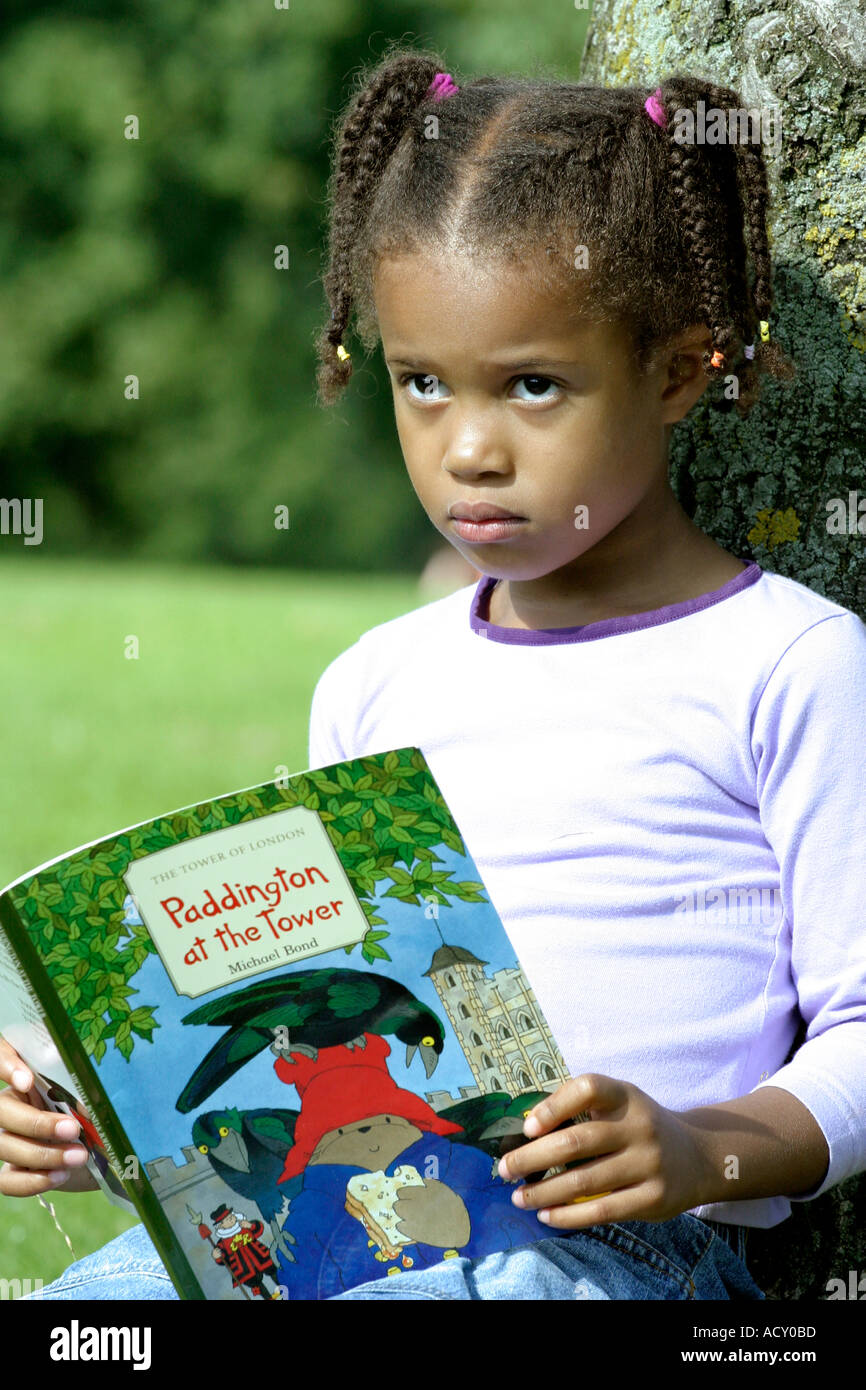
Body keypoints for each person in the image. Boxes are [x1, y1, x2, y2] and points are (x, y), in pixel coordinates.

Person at [3, 49, 866, 1302]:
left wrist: (697, 1151)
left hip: (603, 1247)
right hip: (342, 1215)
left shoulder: (784, 664)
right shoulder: (376, 682)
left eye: (531, 385)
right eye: (420, 383)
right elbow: (326, 1035)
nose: (467, 448)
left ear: (677, 372)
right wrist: (98, 1127)